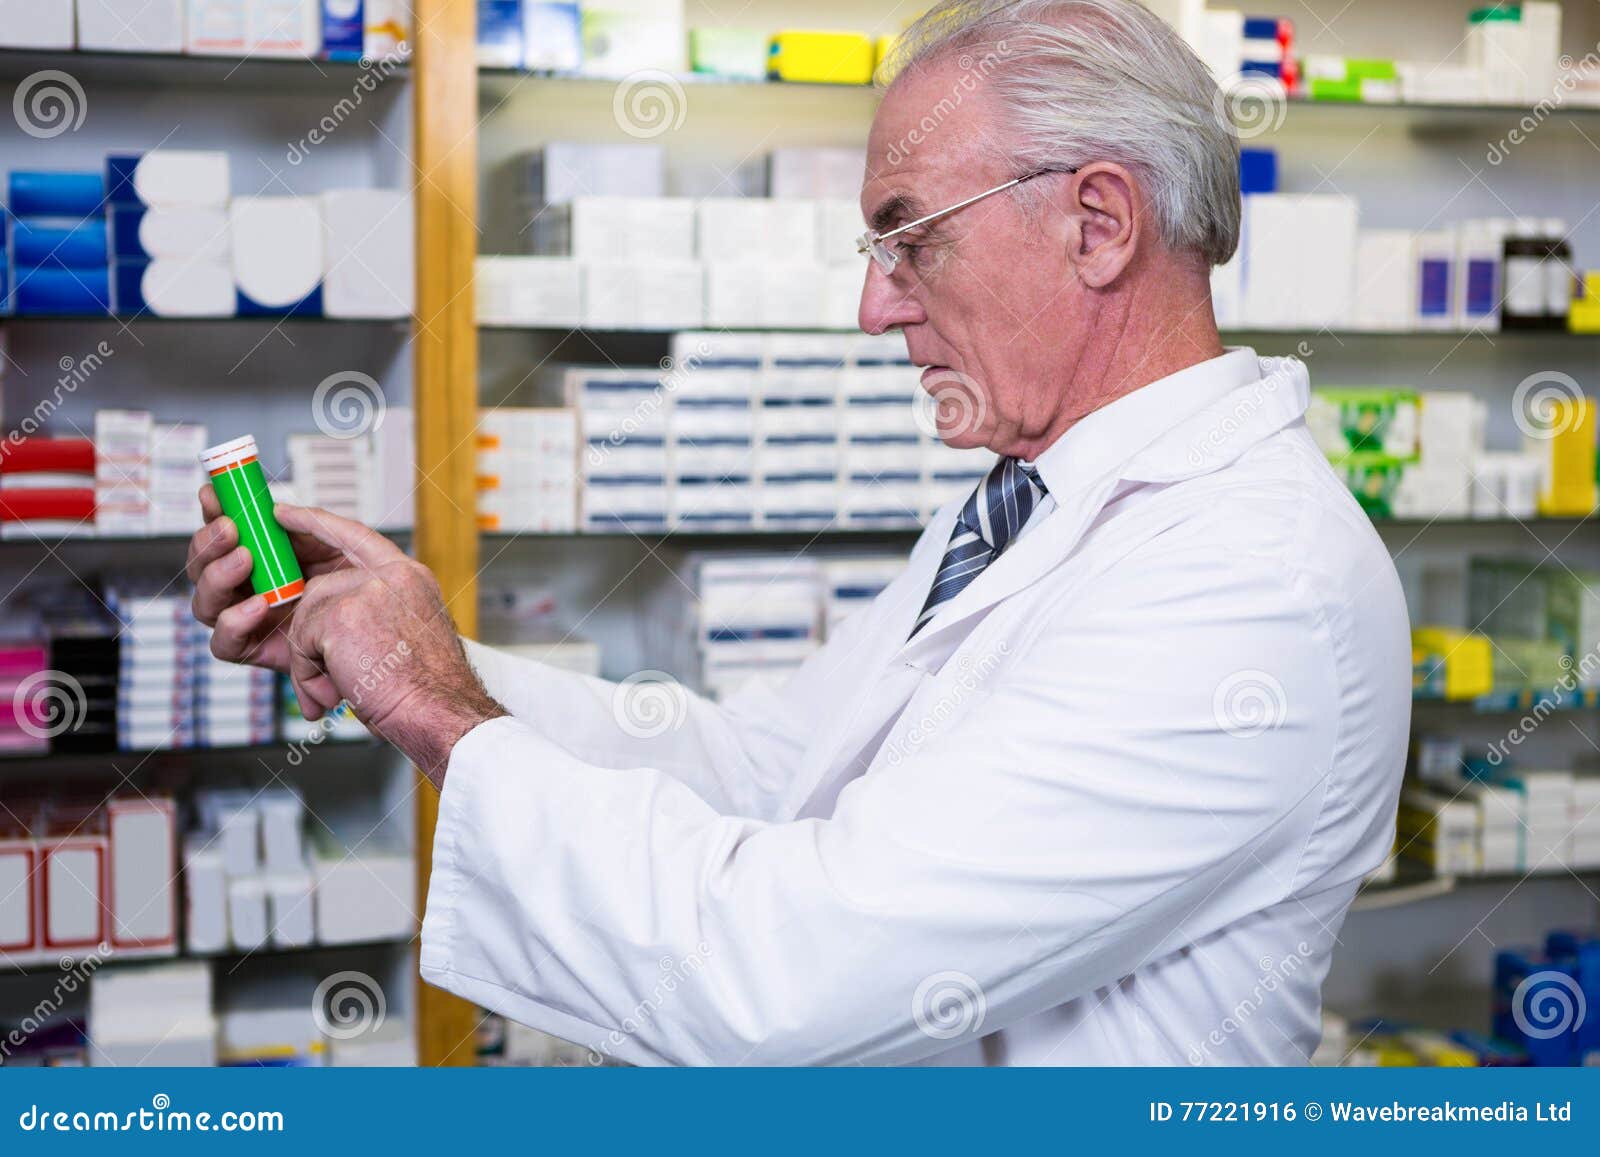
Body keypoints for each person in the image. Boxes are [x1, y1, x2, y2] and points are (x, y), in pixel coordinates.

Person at [187, 0, 1410, 1065]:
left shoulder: (1247, 578)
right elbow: (773, 769)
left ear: (1096, 222)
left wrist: (440, 714)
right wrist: (415, 654)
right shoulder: (1027, 498)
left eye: (908, 234)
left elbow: (788, 975)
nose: (873, 307)